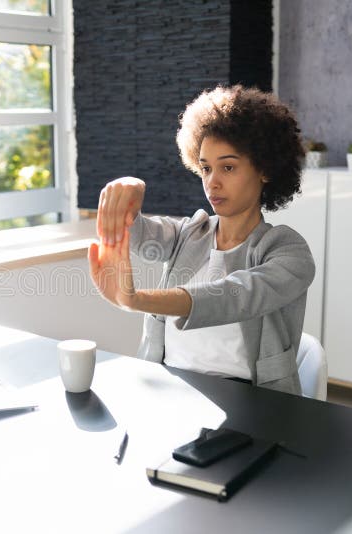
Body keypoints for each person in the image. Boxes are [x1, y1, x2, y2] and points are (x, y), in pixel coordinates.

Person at [87, 85, 314, 395]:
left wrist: (137, 299)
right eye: (206, 168)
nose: (212, 182)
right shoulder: (190, 232)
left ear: (264, 169)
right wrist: (129, 191)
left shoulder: (288, 252)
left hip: (251, 399)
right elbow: (140, 233)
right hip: (167, 386)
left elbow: (234, 296)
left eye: (228, 167)